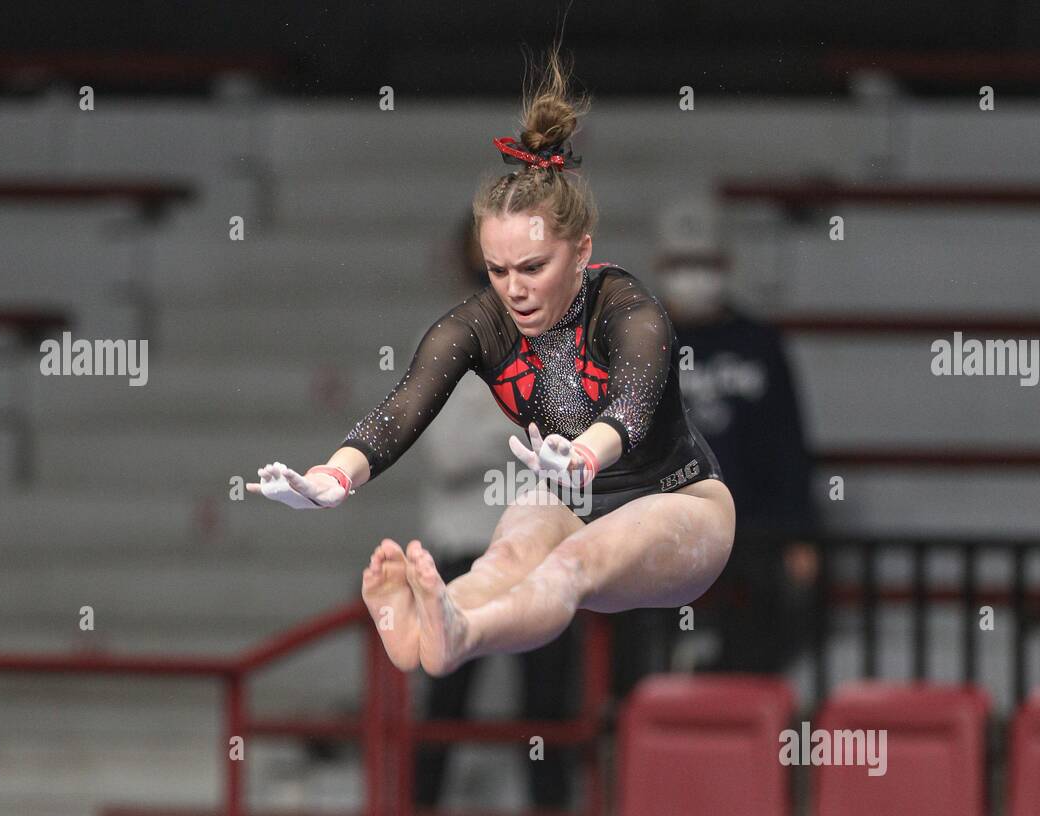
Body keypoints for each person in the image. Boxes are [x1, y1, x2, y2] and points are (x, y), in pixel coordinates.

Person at [249, 48, 735, 680]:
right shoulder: (478, 325)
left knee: (570, 565)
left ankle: (465, 631)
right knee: (502, 559)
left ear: (581, 249)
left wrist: (584, 455)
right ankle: (438, 624)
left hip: (679, 506)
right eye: (498, 270)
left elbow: (633, 408)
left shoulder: (628, 308)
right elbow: (403, 408)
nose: (515, 289)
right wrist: (333, 478)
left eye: (534, 267)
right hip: (573, 498)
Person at [414, 214, 579, 812]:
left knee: (546, 704)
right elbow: (445, 451)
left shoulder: (561, 338)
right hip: (460, 547)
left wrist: (508, 416)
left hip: (539, 548)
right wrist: (523, 420)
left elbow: (577, 437)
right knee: (445, 699)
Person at [654, 199, 820, 673]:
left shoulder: (759, 343)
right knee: (662, 672)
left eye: (703, 264)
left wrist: (799, 534)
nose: (693, 276)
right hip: (661, 536)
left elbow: (789, 441)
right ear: (661, 268)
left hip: (753, 535)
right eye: (682, 265)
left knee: (747, 666)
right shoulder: (639, 342)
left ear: (725, 266)